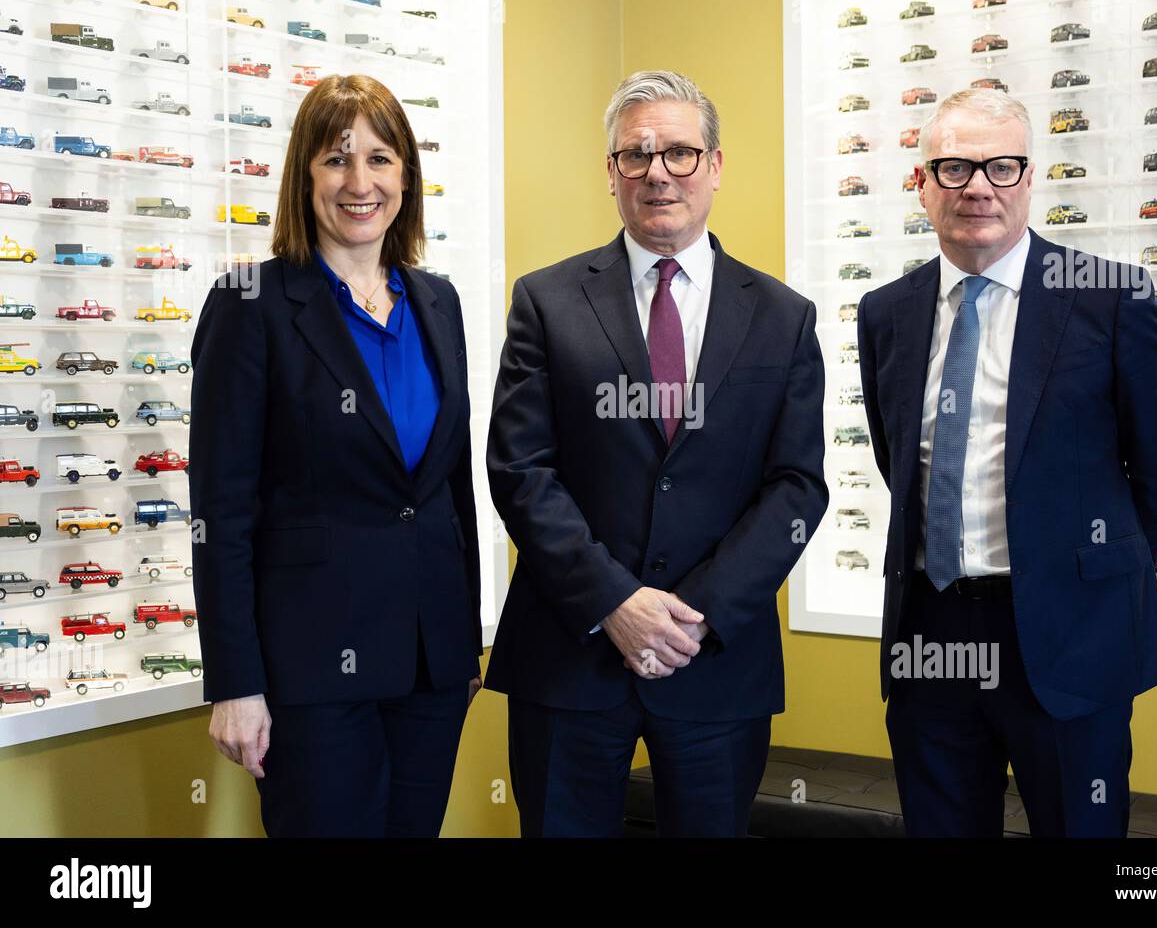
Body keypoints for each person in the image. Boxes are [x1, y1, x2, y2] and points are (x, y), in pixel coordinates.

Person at [485, 70, 828, 837]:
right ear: (610, 174)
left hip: (714, 665)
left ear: (715, 165)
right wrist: (614, 601)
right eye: (635, 155)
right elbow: (519, 470)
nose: (658, 173)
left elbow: (798, 486)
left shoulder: (782, 316)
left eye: (679, 152)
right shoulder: (547, 300)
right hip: (569, 660)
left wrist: (694, 614)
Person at [856, 89, 1157, 837]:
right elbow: (895, 457)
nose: (978, 186)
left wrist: (1097, 575)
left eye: (1001, 166)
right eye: (954, 168)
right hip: (932, 630)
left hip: (1071, 635)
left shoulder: (1110, 299)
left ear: (1030, 177)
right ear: (922, 184)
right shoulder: (887, 311)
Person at [190, 74, 483, 837]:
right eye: (337, 160)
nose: (361, 183)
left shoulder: (438, 300)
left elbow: (451, 486)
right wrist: (235, 683)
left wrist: (465, 639)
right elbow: (220, 512)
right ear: (304, 175)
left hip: (428, 664)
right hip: (311, 671)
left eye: (381, 159)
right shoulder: (250, 303)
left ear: (406, 176)